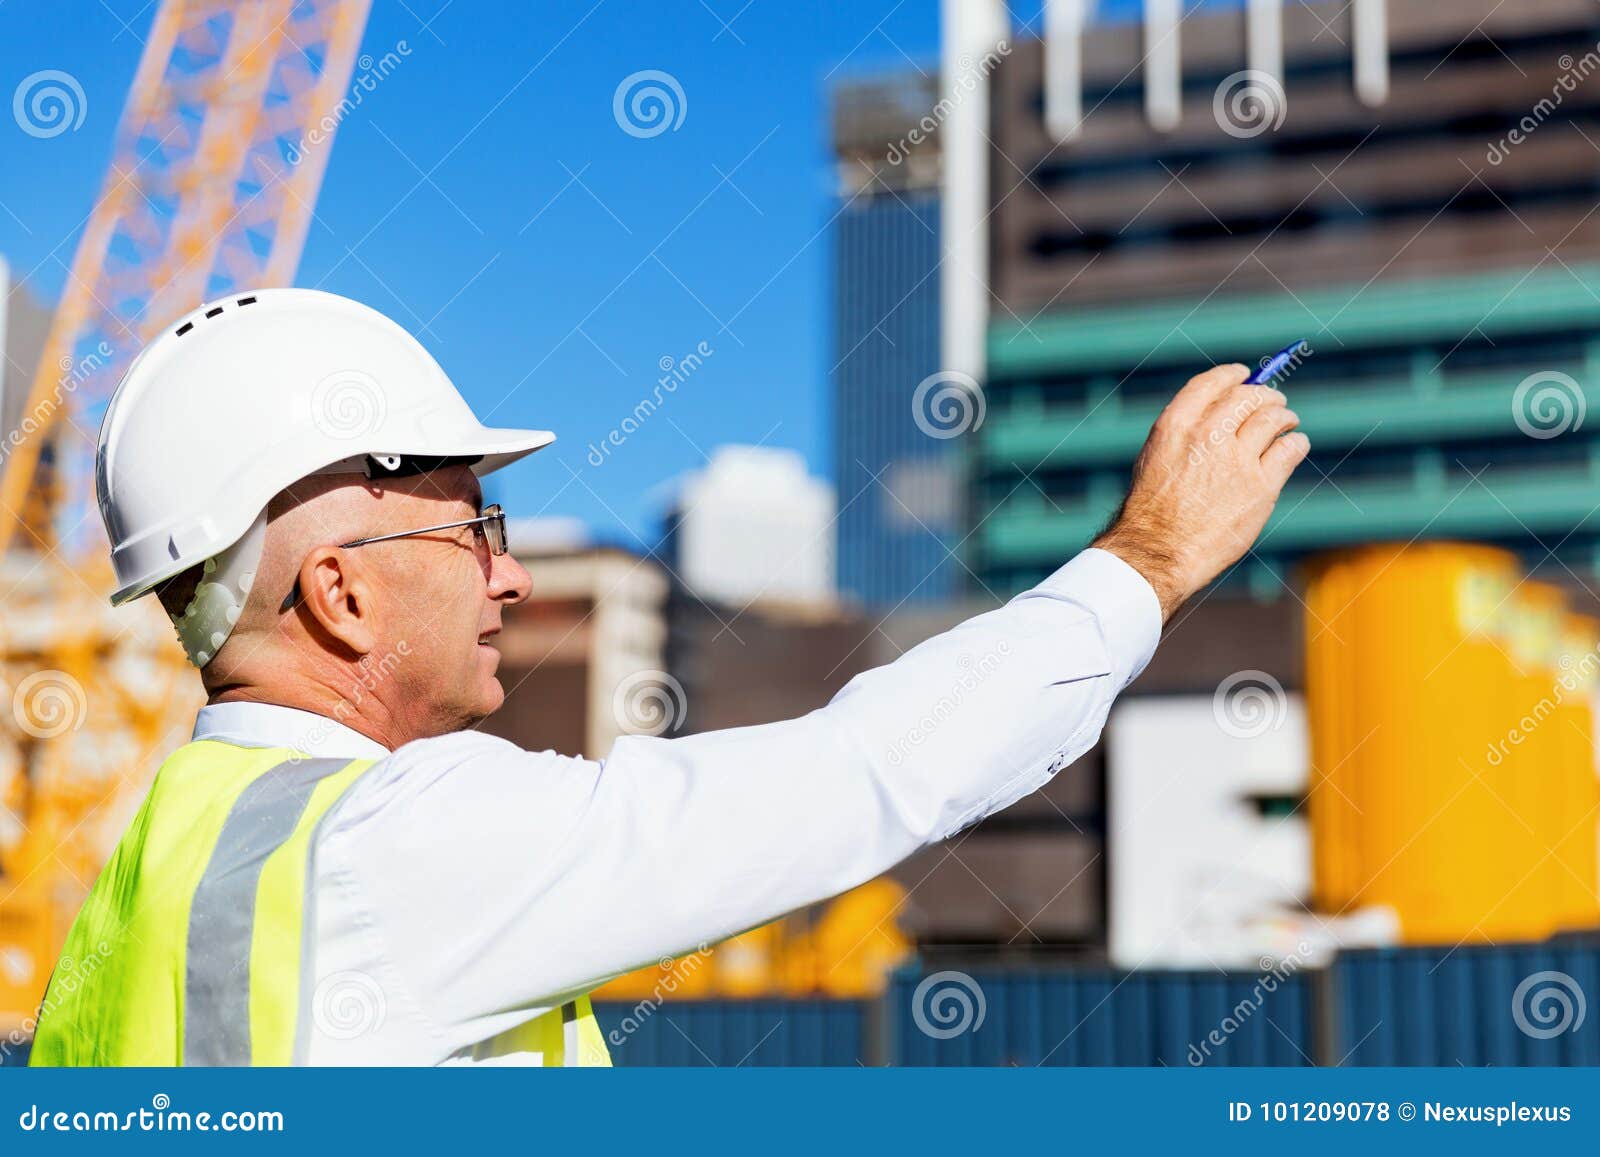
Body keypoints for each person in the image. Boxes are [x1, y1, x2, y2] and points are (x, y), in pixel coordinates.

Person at [30, 287, 1307, 1066]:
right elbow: (857, 775)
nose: (510, 577)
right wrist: (1147, 558)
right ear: (340, 592)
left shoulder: (157, 869)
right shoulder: (386, 847)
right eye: (474, 528)